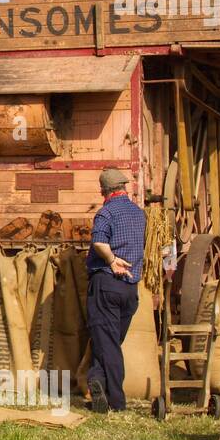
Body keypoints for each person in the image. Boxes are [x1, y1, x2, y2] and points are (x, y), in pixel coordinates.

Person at [84, 167, 146, 413]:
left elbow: (99, 242)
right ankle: (97, 381)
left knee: (107, 342)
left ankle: (116, 401)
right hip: (130, 290)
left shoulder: (106, 212)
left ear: (104, 191)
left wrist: (111, 260)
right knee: (109, 341)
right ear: (124, 187)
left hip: (106, 284)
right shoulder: (139, 214)